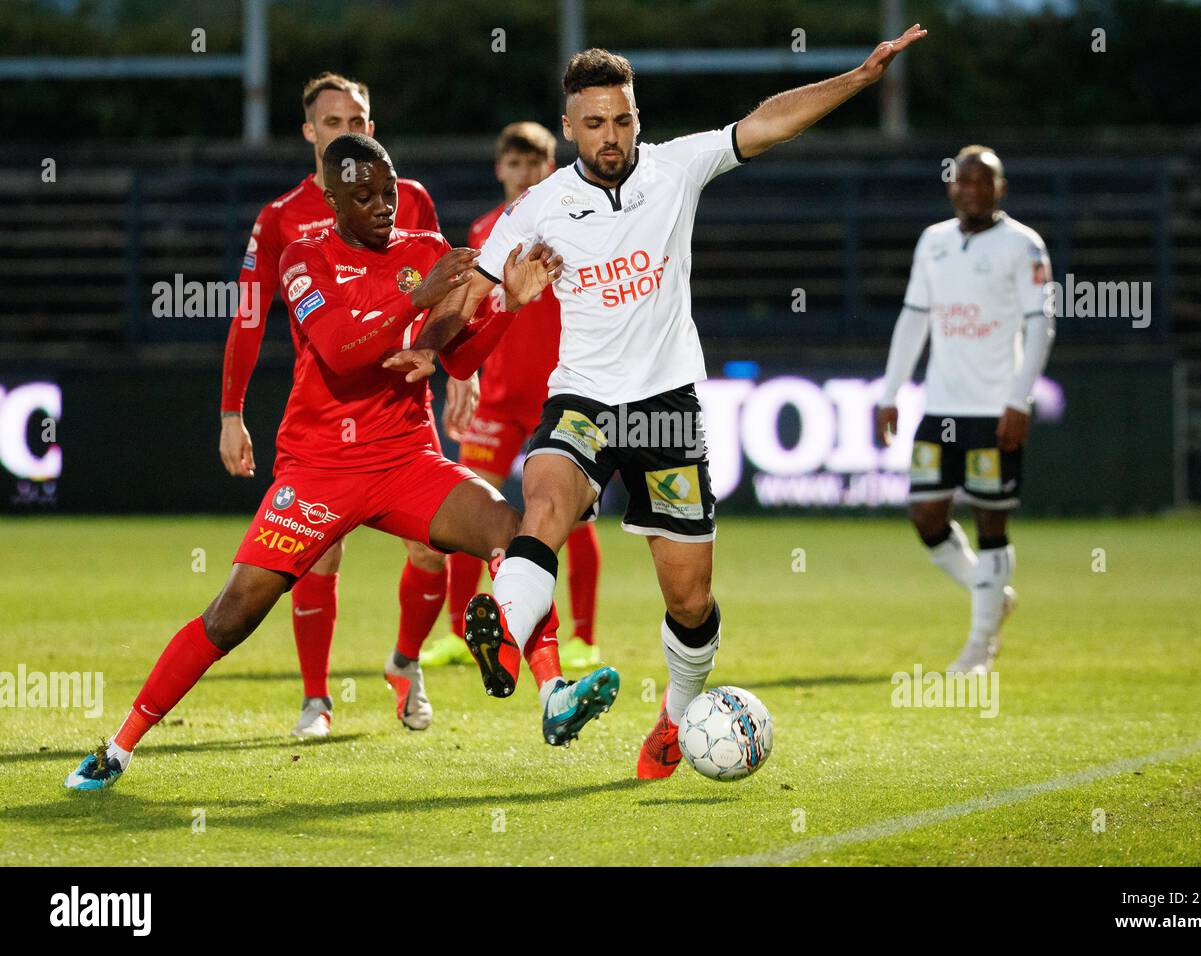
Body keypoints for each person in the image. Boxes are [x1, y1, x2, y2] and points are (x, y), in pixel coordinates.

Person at [385, 27, 927, 778]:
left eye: (624, 119)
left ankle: (674, 720)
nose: (613, 136)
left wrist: (858, 78)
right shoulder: (538, 207)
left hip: (667, 408)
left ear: (637, 117)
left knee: (691, 598)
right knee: (543, 508)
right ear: (570, 128)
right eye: (597, 123)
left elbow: (765, 122)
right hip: (583, 399)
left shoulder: (676, 168)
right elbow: (469, 294)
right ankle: (504, 630)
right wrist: (431, 344)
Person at [66, 134, 618, 791]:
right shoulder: (305, 258)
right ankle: (120, 746)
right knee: (232, 614)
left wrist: (507, 305)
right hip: (318, 468)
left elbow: (461, 359)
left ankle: (552, 692)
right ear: (332, 200)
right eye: (364, 197)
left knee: (512, 531)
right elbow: (339, 351)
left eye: (388, 191)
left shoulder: (427, 252)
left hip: (405, 457)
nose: (383, 206)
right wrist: (416, 301)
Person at [218, 72, 477, 738]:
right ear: (310, 133)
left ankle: (405, 662)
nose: (349, 132)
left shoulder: (407, 199)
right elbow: (248, 317)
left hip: (403, 413)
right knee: (319, 552)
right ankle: (315, 698)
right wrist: (230, 412)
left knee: (434, 550)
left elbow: (448, 293)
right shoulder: (281, 220)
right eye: (333, 123)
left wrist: (459, 372)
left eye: (358, 120)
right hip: (329, 416)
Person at [424, 121, 604, 673]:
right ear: (500, 168)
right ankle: (458, 632)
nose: (525, 172)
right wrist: (462, 376)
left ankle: (583, 638)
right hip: (497, 401)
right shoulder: (484, 232)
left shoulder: (572, 229)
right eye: (516, 163)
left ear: (549, 168)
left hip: (561, 396)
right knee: (468, 513)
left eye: (536, 163)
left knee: (574, 520)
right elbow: (466, 319)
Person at [875, 145, 1056, 674]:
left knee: (990, 523)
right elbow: (914, 318)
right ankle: (991, 591)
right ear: (951, 186)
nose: (973, 189)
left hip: (994, 408)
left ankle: (979, 648)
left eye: (985, 181)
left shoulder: (1024, 247)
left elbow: (1041, 325)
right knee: (925, 514)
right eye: (965, 180)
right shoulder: (933, 241)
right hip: (942, 406)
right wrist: (890, 393)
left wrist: (1018, 400)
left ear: (1000, 189)